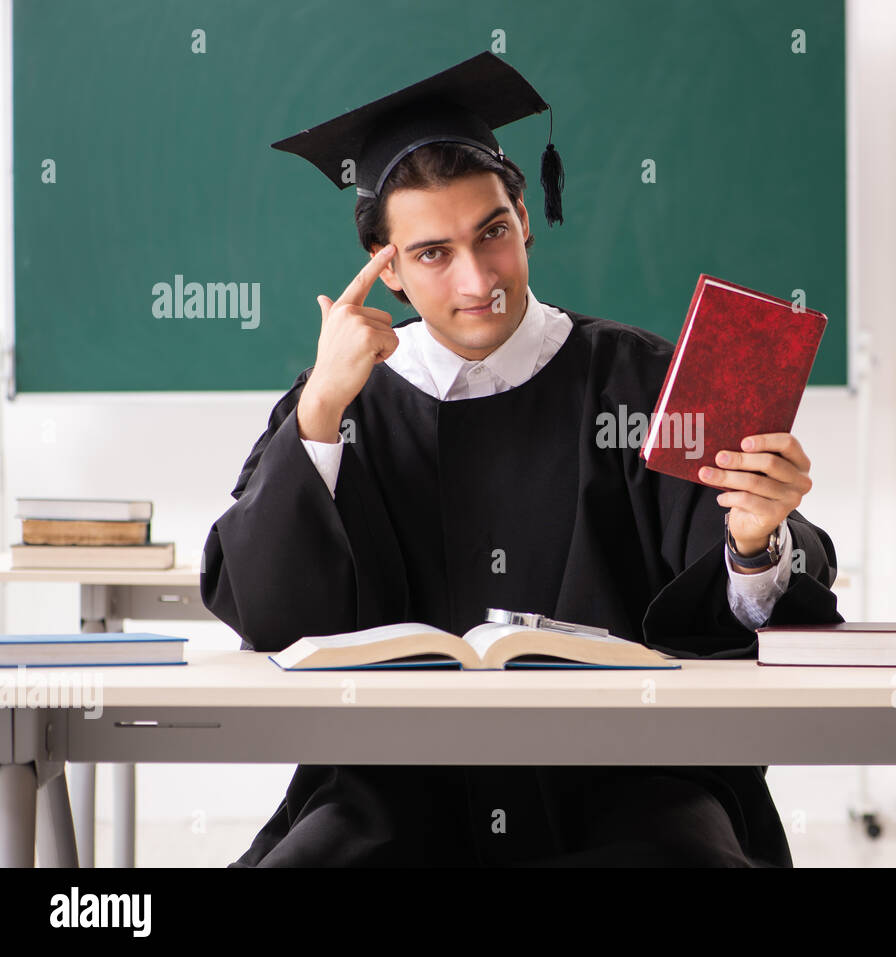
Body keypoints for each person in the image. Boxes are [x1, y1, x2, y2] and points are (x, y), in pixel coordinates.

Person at [201, 51, 843, 867]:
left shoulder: (649, 379)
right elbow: (264, 613)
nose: (478, 279)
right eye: (433, 253)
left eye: (493, 233)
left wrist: (754, 543)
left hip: (634, 773)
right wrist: (321, 410)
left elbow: (745, 616)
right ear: (385, 265)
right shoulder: (338, 401)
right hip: (397, 780)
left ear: (526, 219)